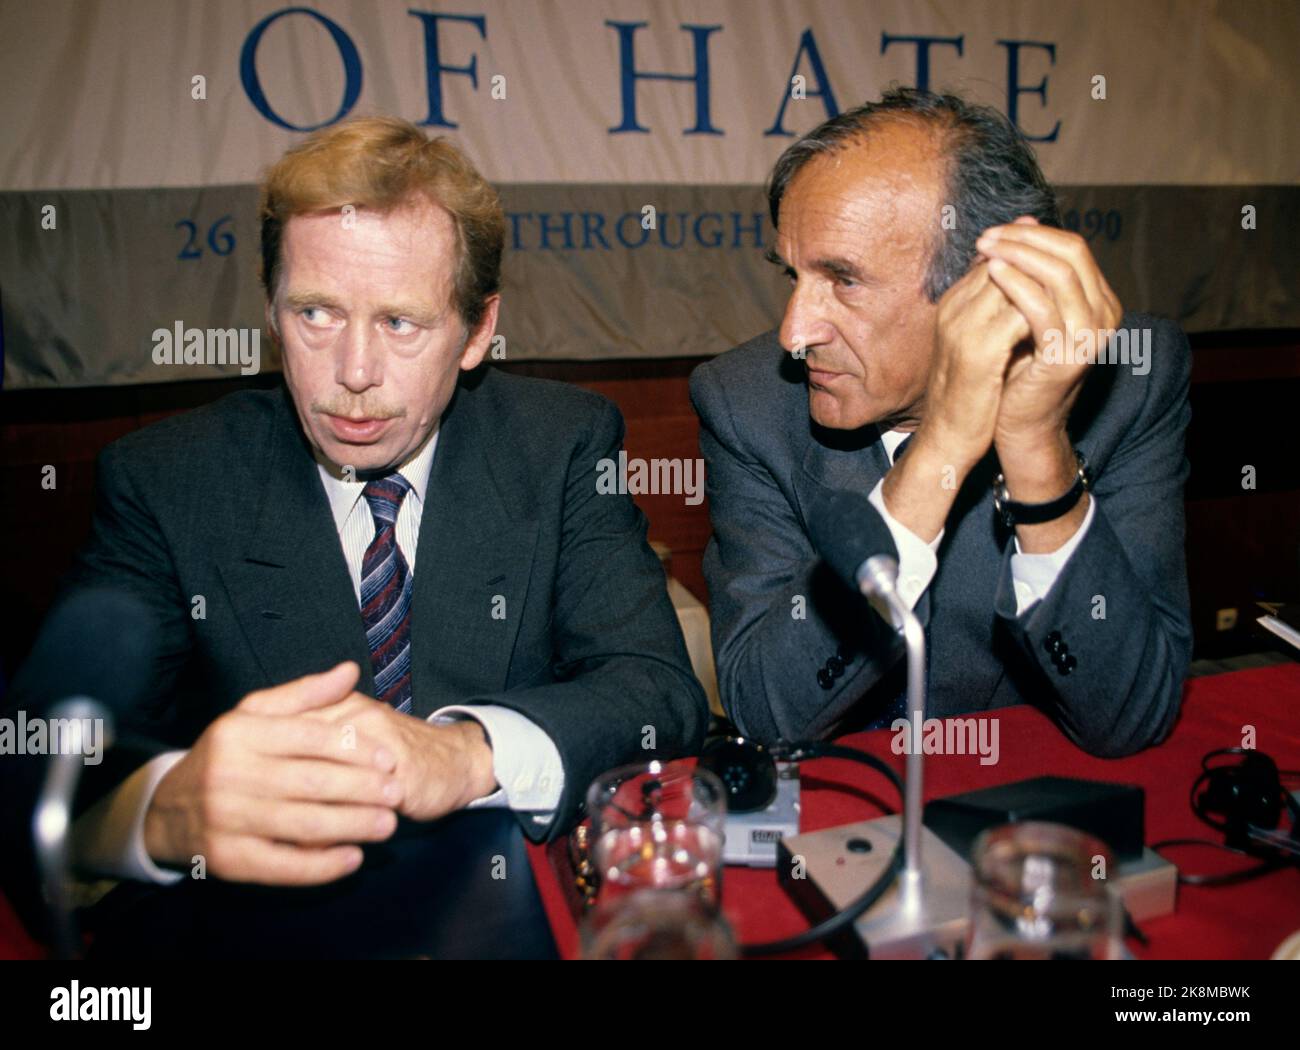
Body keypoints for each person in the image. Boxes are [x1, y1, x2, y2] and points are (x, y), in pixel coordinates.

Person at [4, 117, 707, 950]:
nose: (355, 373)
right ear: (270, 308)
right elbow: (49, 769)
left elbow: (656, 691)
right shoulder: (165, 480)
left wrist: (465, 752)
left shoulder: (559, 444)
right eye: (316, 313)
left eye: (402, 323)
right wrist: (164, 812)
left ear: (478, 331)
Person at [691, 88, 1191, 754]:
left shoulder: (1130, 381)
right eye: (792, 275)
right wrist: (940, 453)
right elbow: (768, 711)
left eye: (842, 279)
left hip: (1023, 805)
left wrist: (1038, 449)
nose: (794, 333)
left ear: (988, 286)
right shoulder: (746, 402)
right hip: (845, 804)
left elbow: (1129, 717)